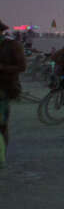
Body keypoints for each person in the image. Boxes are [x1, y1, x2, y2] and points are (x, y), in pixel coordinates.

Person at [0, 19, 24, 157]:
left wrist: (3, 67)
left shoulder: (12, 46)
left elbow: (22, 66)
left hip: (4, 88)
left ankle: (2, 155)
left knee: (2, 125)